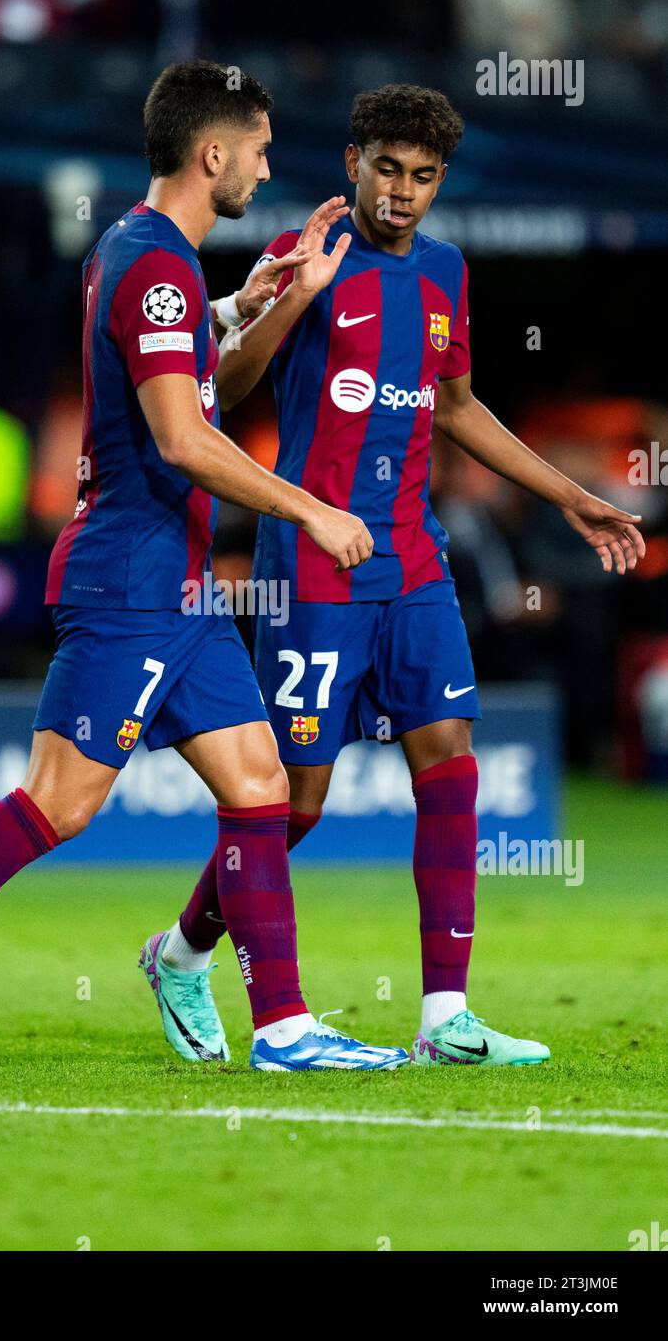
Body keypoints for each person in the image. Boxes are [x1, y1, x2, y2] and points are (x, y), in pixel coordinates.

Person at [0, 61, 407, 1075]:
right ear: (211, 153)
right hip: (130, 574)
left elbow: (197, 383)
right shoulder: (154, 266)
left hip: (179, 581)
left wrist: (258, 305)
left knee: (259, 784)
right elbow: (182, 437)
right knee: (59, 801)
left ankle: (281, 1027)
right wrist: (310, 508)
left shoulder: (141, 255)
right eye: (258, 151)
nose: (266, 170)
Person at [152, 82, 646, 1068]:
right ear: (352, 163)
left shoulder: (445, 272)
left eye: (421, 176)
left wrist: (567, 495)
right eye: (385, 169)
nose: (400, 192)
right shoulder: (305, 251)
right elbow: (221, 388)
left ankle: (444, 1017)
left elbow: (455, 406)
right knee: (296, 802)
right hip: (313, 561)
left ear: (439, 181)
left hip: (412, 560)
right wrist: (293, 296)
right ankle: (181, 953)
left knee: (448, 756)